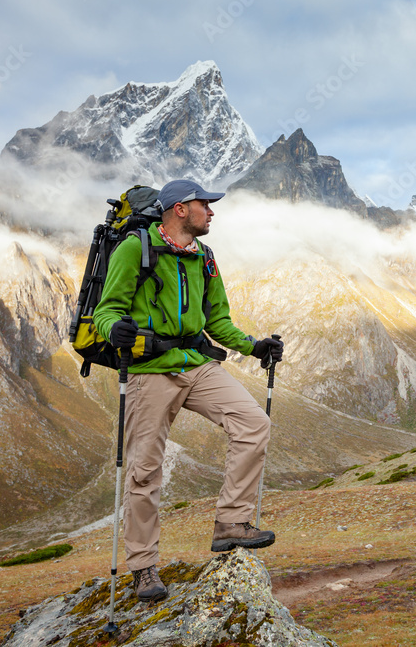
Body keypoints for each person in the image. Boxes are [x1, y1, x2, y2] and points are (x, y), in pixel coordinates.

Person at [93, 179, 284, 603]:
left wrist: (253, 346)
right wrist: (114, 329)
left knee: (253, 423)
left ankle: (231, 523)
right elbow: (106, 311)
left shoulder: (205, 258)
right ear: (180, 209)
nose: (212, 212)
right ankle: (143, 568)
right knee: (144, 470)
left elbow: (217, 321)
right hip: (148, 370)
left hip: (195, 365)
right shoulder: (134, 249)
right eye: (205, 205)